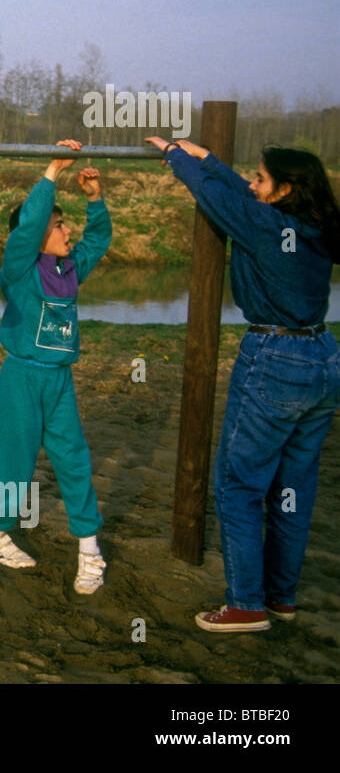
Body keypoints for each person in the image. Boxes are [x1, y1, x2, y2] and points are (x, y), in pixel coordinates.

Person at [145, 136, 340, 632]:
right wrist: (209, 159)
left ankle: (246, 605)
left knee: (238, 486)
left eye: (261, 178)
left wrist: (174, 155)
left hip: (274, 360)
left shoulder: (265, 226)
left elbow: (219, 200)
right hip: (321, 357)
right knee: (292, 489)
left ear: (285, 190)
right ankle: (281, 597)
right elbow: (243, 196)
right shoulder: (312, 227)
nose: (253, 184)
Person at [0, 139, 112, 595]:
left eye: (65, 222)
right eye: (58, 224)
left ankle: (90, 551)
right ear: (33, 237)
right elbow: (30, 224)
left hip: (59, 384)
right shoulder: (19, 269)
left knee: (74, 460)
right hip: (20, 380)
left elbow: (97, 239)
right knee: (13, 462)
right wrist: (52, 171)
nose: (66, 230)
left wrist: (94, 199)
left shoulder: (68, 269)